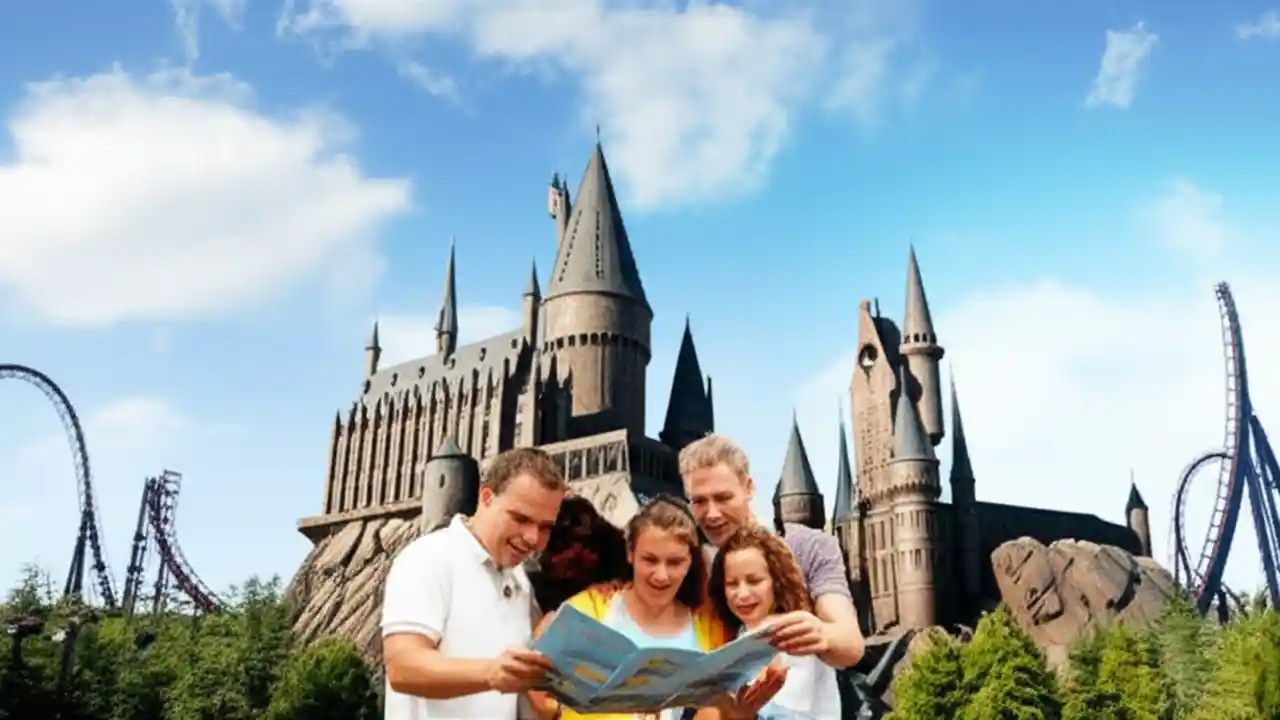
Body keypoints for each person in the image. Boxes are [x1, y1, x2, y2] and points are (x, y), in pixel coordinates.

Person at [525, 495, 785, 720]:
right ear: (630, 553)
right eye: (650, 560)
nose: (661, 576)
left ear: (689, 562)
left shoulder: (712, 630)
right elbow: (541, 699)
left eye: (674, 563)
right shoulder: (587, 610)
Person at [381, 447, 568, 720]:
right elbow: (402, 666)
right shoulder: (428, 558)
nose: (532, 538)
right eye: (521, 518)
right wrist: (491, 673)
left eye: (545, 527)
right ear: (486, 497)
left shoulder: (519, 581)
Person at [679, 434, 865, 669]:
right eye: (699, 502)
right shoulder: (685, 562)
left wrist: (822, 634)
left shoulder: (807, 546)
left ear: (748, 488)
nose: (712, 513)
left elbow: (849, 643)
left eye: (723, 498)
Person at [709, 526, 842, 720]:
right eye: (732, 584)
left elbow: (784, 714)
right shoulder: (744, 632)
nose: (742, 594)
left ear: (776, 582)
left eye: (754, 581)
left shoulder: (795, 633)